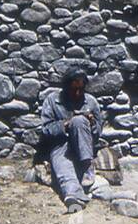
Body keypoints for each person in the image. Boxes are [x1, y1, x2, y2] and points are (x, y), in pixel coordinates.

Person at [38, 68, 104, 212]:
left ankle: (87, 167)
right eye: (73, 89)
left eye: (81, 89)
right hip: (61, 145)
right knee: (63, 167)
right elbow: (45, 129)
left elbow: (98, 131)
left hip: (84, 144)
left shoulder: (90, 102)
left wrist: (91, 123)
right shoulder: (52, 100)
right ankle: (72, 197)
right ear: (66, 87)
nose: (77, 93)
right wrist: (65, 124)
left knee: (79, 121)